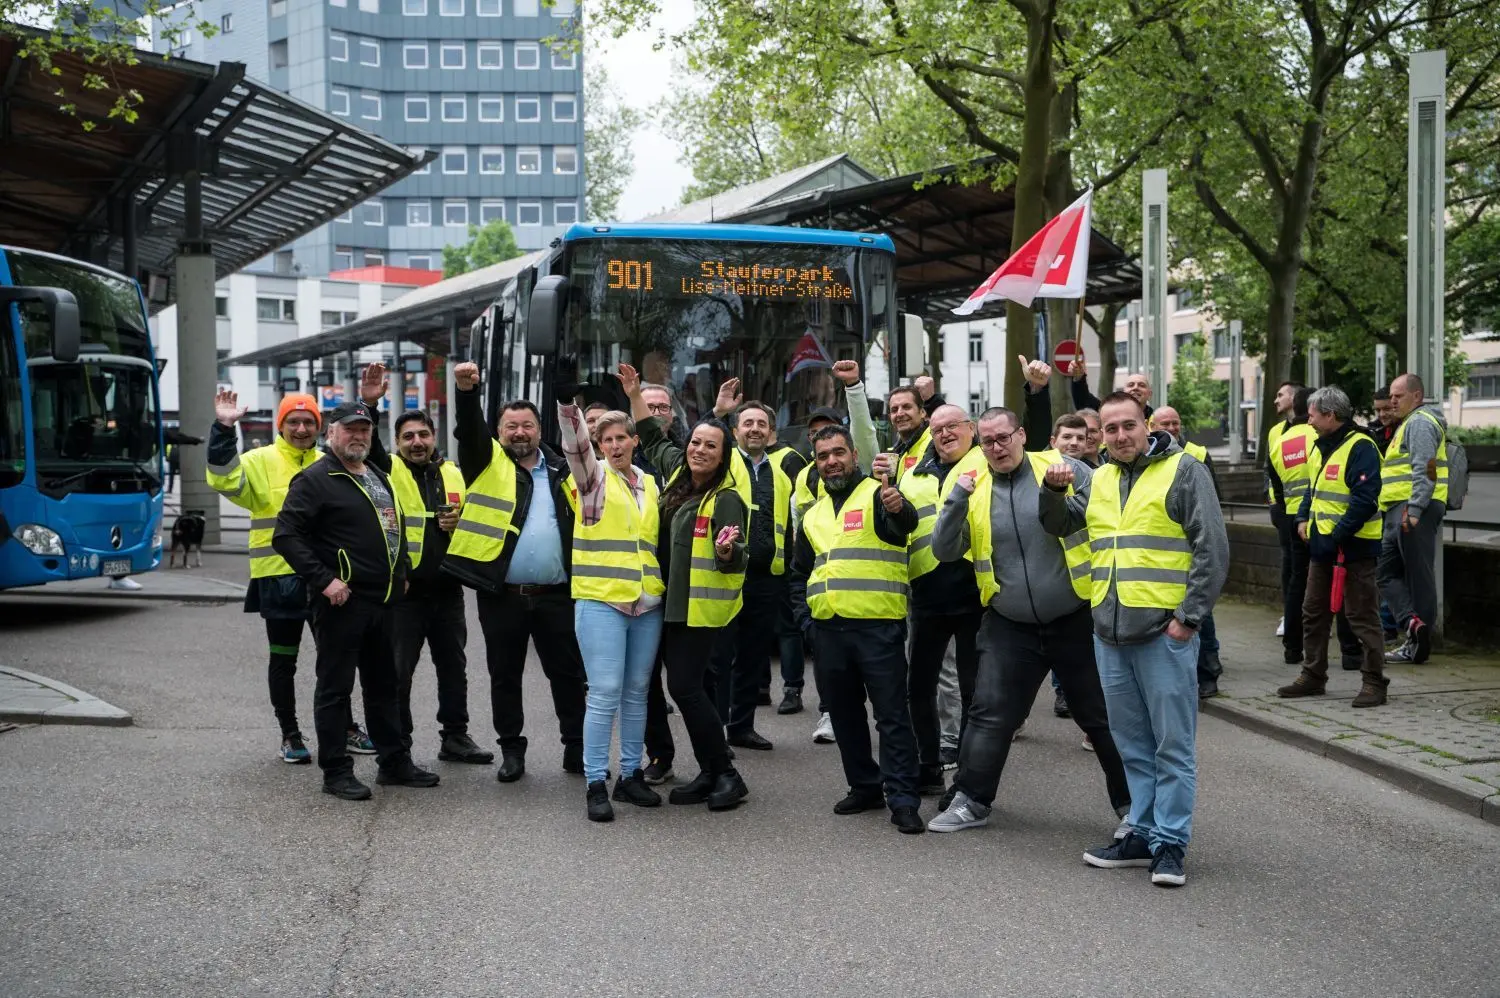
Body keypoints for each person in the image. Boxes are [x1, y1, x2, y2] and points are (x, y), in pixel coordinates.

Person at [1038, 391, 1228, 887]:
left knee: (1173, 746)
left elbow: (1213, 547)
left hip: (1163, 634)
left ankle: (1171, 843)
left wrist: (1188, 618)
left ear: (1146, 426)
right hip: (1110, 635)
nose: (1120, 436)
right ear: (1100, 435)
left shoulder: (1185, 470)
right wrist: (1053, 491)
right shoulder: (1099, 477)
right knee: (1133, 746)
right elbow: (1059, 524)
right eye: (1111, 429)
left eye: (1129, 426)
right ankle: (1141, 833)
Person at [928, 407, 1131, 835]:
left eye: (1004, 437)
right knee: (989, 714)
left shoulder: (1063, 468)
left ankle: (1132, 808)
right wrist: (955, 500)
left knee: (1101, 716)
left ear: (1022, 434)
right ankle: (972, 800)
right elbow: (945, 552)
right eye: (988, 442)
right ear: (979, 444)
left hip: (1074, 615)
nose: (997, 447)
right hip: (1009, 621)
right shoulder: (971, 484)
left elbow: (1106, 522)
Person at [272, 402, 439, 800]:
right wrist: (325, 580)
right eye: (350, 429)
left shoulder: (377, 474)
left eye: (364, 429)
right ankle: (336, 772)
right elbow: (285, 535)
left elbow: (391, 530)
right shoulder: (315, 478)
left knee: (384, 687)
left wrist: (400, 576)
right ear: (332, 434)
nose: (358, 436)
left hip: (384, 603)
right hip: (342, 603)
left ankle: (393, 763)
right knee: (335, 689)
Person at [207, 382, 377, 764]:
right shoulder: (258, 460)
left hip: (327, 579)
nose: (301, 429)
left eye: (308, 422)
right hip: (278, 577)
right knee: (284, 660)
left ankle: (346, 728)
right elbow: (221, 478)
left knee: (335, 660)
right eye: (293, 422)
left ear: (320, 427)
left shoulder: (331, 460)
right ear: (280, 425)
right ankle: (290, 734)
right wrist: (222, 429)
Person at [443, 363, 586, 783]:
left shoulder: (564, 470)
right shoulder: (486, 463)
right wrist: (467, 392)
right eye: (510, 426)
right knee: (504, 676)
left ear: (540, 430)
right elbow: (470, 431)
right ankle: (512, 751)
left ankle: (575, 747)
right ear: (500, 432)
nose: (519, 432)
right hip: (501, 594)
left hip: (557, 594)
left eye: (527, 425)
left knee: (567, 674)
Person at [622, 362, 751, 812]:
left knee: (687, 688)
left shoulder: (726, 498)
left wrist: (728, 552)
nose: (698, 450)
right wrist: (635, 393)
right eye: (695, 441)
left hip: (695, 610)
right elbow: (653, 437)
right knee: (679, 688)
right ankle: (711, 770)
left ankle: (726, 774)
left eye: (709, 446)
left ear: (723, 455)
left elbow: (738, 560)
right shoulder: (677, 473)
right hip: (665, 603)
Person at [790, 425, 924, 834]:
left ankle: (902, 798)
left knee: (891, 716)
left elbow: (904, 523)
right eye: (823, 456)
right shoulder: (811, 514)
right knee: (845, 716)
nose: (831, 461)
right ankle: (864, 785)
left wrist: (898, 506)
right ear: (816, 464)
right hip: (827, 631)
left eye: (839, 453)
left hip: (877, 628)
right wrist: (807, 625)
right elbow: (798, 575)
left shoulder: (879, 495)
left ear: (853, 455)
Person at [557, 401, 667, 821]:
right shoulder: (593, 479)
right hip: (601, 599)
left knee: (637, 691)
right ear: (598, 445)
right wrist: (570, 410)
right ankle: (595, 783)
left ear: (635, 441)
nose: (616, 445)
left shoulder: (650, 484)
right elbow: (575, 449)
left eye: (622, 437)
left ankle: (630, 775)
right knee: (603, 693)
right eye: (607, 439)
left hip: (646, 602)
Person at [374, 407, 492, 765]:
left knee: (454, 668)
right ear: (396, 442)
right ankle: (400, 746)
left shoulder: (454, 473)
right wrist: (370, 401)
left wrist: (463, 521)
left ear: (433, 436)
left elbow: (481, 519)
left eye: (423, 435)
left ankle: (455, 737)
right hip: (405, 594)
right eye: (408, 436)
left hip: (447, 591)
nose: (417, 442)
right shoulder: (387, 470)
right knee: (398, 673)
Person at [888, 402, 985, 796]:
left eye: (954, 426)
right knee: (919, 687)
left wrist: (1035, 394)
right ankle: (928, 766)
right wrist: (893, 511)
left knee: (971, 691)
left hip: (974, 593)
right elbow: (906, 526)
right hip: (926, 593)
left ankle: (966, 774)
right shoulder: (913, 474)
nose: (945, 433)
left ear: (971, 429)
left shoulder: (987, 463)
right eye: (938, 427)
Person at [1276, 387, 1389, 707]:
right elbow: (1314, 490)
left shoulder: (1360, 446)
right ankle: (1313, 675)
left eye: (1312, 414)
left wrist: (1336, 534)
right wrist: (1302, 518)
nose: (1307, 420)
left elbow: (1365, 501)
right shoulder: (1318, 446)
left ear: (1330, 415)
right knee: (1313, 612)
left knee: (1362, 616)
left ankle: (1374, 681)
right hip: (1323, 548)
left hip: (1355, 549)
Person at [701, 393, 787, 751]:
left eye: (761, 424)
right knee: (719, 658)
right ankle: (716, 733)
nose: (754, 429)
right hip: (725, 573)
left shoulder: (781, 472)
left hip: (766, 577)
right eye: (747, 423)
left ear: (770, 433)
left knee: (753, 657)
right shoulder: (723, 462)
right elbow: (697, 439)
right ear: (734, 431)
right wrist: (716, 412)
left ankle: (742, 726)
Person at [1148, 405, 1224, 698]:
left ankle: (1208, 674)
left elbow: (1212, 503)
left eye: (1175, 422)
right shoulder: (1147, 458)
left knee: (1202, 615)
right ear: (1152, 425)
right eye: (1164, 422)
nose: (1171, 427)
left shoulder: (1197, 453)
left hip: (1192, 549)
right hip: (1163, 556)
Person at [1378, 373, 1449, 664]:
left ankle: (1419, 644)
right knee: (1384, 571)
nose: (1392, 401)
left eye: (1398, 396)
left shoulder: (1419, 423)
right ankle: (1413, 625)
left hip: (1412, 509)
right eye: (1391, 396)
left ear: (1416, 396)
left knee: (1419, 577)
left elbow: (1427, 469)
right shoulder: (1407, 424)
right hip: (1400, 509)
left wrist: (1416, 508)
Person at [1368, 387, 1397, 454]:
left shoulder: (1407, 429)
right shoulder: (1372, 431)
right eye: (1378, 410)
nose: (1382, 414)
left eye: (1387, 409)